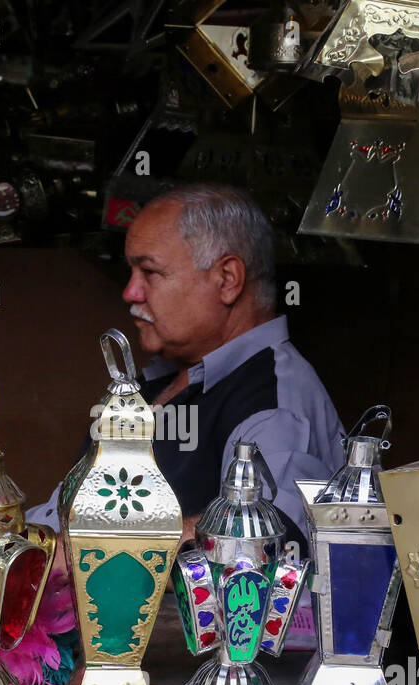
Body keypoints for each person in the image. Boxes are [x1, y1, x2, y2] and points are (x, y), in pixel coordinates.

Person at [28, 183, 346, 549]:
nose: (130, 292)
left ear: (227, 280)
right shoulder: (153, 383)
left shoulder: (273, 402)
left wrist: (96, 550)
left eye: (149, 272)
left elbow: (262, 539)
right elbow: (63, 513)